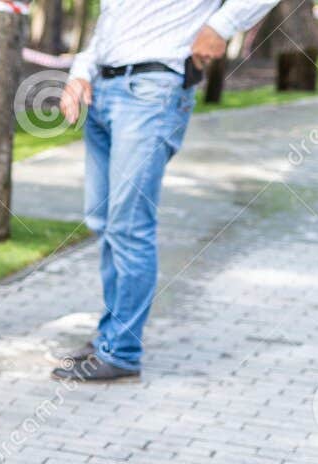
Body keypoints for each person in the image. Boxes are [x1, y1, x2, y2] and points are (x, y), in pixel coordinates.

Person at [55, 0, 274, 383]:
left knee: (128, 225)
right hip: (103, 89)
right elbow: (112, 23)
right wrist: (80, 72)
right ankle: (110, 336)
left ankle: (121, 352)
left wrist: (222, 25)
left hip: (151, 90)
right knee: (104, 221)